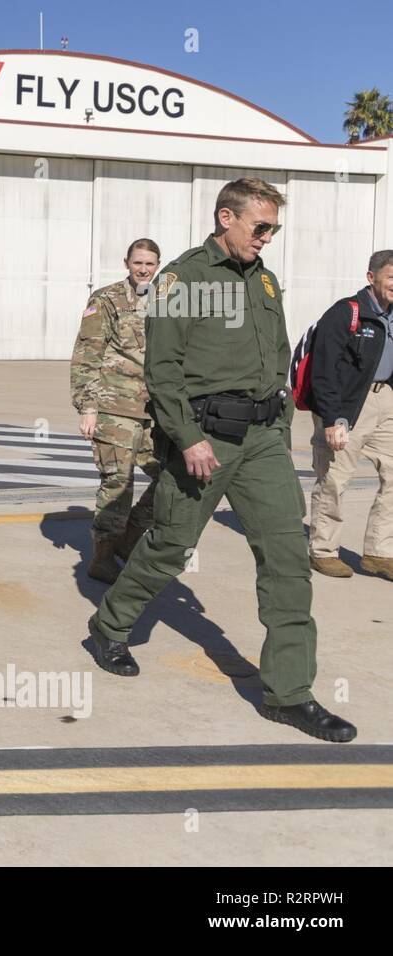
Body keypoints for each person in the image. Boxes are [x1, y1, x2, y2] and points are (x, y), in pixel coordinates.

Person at [88, 178, 357, 743]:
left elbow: (280, 355)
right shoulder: (183, 280)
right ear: (225, 217)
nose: (267, 239)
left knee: (286, 557)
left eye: (273, 229)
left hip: (261, 440)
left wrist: (279, 428)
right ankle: (110, 624)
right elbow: (162, 371)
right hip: (203, 439)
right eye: (260, 227)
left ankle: (289, 693)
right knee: (168, 545)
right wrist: (186, 437)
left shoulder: (264, 280)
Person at [70, 239, 163, 583]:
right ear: (127, 262)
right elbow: (86, 354)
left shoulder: (165, 302)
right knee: (118, 483)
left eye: (150, 264)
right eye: (138, 262)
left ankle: (129, 536)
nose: (143, 269)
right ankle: (103, 555)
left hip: (153, 411)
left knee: (170, 478)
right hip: (113, 406)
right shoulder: (106, 300)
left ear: (158, 265)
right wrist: (88, 407)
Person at [306, 249, 393, 580]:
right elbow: (324, 370)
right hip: (348, 403)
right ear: (371, 278)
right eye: (391, 277)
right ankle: (324, 550)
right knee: (335, 478)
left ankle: (379, 552)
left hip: (386, 400)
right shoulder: (345, 313)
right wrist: (331, 420)